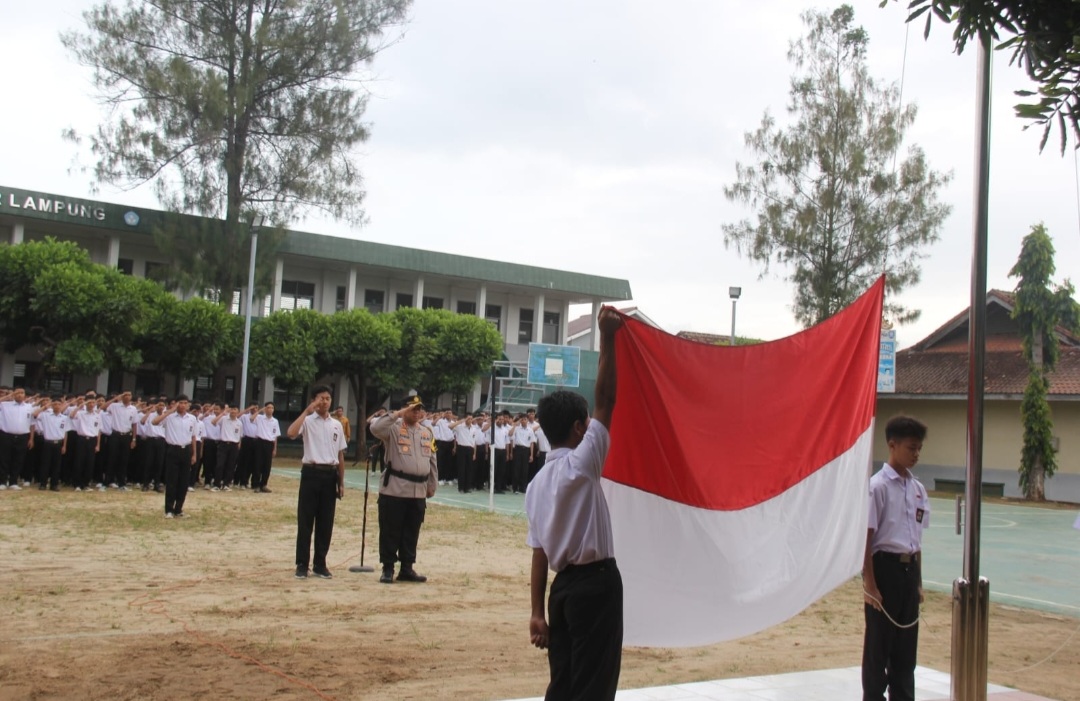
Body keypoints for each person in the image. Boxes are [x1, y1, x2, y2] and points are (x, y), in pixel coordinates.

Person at [525, 307, 622, 701]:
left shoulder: (535, 486)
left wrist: (537, 613)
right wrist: (608, 337)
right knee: (593, 687)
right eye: (587, 422)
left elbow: (538, 556)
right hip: (595, 585)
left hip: (560, 591)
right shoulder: (583, 464)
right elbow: (606, 399)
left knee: (563, 684)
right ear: (580, 428)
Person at [862, 415, 930, 701]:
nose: (915, 454)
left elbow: (917, 540)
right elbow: (867, 537)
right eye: (911, 448)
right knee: (879, 647)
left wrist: (918, 582)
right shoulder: (877, 487)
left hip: (908, 572)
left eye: (918, 449)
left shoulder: (918, 489)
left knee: (906, 650)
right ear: (892, 445)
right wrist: (870, 584)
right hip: (885, 570)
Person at [369, 395, 437, 584]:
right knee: (391, 529)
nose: (417, 412)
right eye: (413, 408)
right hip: (395, 489)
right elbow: (374, 427)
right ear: (404, 409)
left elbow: (433, 459)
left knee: (411, 530)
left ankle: (407, 567)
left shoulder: (427, 431)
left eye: (419, 409)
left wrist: (432, 483)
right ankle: (388, 568)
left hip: (418, 490)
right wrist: (398, 414)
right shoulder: (393, 428)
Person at [288, 385, 346, 579]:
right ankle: (302, 564)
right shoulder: (307, 421)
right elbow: (291, 433)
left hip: (329, 475)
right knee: (305, 521)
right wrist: (307, 410)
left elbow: (340, 454)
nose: (325, 401)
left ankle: (320, 563)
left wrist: (341, 481)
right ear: (314, 400)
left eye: (328, 398)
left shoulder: (336, 424)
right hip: (311, 473)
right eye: (321, 398)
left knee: (325, 522)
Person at [153, 395, 198, 518]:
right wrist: (170, 411)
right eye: (180, 403)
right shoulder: (170, 417)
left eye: (185, 403)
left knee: (183, 482)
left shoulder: (192, 418)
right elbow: (155, 422)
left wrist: (194, 454)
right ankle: (169, 509)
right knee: (172, 481)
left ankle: (178, 509)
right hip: (173, 450)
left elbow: (193, 437)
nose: (183, 405)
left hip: (186, 450)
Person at [0, 387, 36, 490]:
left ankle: (13, 482)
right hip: (7, 435)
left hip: (23, 436)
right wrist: (9, 396)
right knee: (4, 459)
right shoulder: (5, 405)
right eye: (18, 393)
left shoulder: (29, 407)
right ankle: (2, 481)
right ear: (14, 394)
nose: (20, 395)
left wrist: (31, 439)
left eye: (22, 393)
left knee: (18, 460)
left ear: (25, 395)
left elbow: (32, 424)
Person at [252, 402, 280, 493]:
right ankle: (255, 485)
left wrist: (275, 448)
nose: (270, 409)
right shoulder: (260, 418)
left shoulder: (275, 421)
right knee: (257, 464)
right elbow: (251, 418)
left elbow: (275, 436)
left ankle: (263, 484)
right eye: (268, 407)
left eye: (272, 408)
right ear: (265, 408)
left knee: (267, 465)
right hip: (260, 442)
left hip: (269, 444)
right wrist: (260, 410)